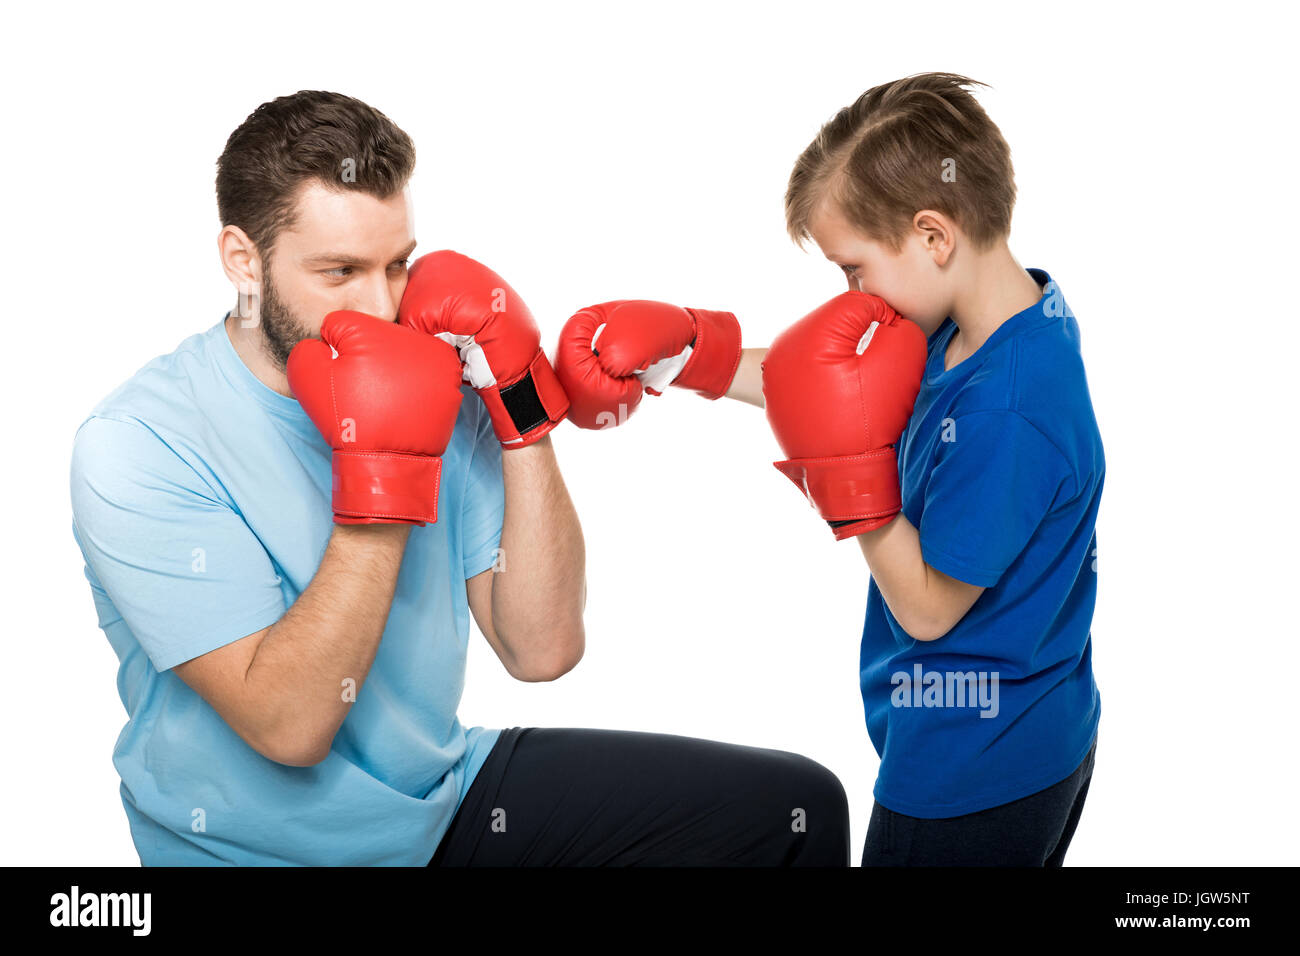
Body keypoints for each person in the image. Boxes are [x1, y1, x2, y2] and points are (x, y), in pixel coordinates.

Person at [67, 90, 849, 866]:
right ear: (244, 260)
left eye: (397, 265)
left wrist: (517, 410)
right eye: (339, 271)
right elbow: (291, 726)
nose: (380, 305)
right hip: (251, 855)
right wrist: (383, 464)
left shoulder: (438, 377)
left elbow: (542, 649)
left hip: (441, 807)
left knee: (790, 811)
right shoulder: (139, 445)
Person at [555, 72, 1102, 866]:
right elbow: (831, 378)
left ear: (932, 236)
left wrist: (853, 480)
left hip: (971, 773)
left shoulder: (1007, 411)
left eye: (853, 270)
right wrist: (686, 357)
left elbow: (927, 610)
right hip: (1037, 731)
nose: (849, 297)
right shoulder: (998, 323)